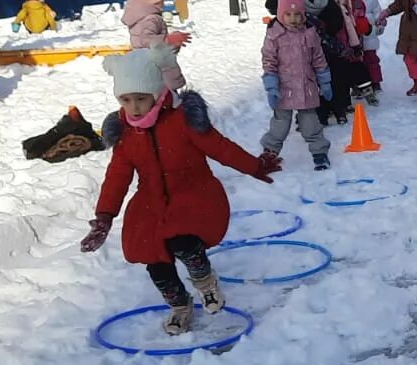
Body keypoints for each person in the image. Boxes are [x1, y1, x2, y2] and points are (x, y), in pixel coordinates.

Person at [82, 46, 282, 335]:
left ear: (156, 93)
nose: (134, 107)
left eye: (141, 98)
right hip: (151, 203)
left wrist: (255, 166)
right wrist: (103, 217)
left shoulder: (181, 120)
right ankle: (180, 306)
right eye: (126, 100)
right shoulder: (126, 134)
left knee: (183, 242)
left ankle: (206, 284)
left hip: (193, 194)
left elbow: (220, 147)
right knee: (154, 260)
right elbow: (117, 177)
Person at [262, 0, 335, 171]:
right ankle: (270, 151)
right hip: (283, 88)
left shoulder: (309, 34)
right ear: (280, 15)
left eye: (297, 14)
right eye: (288, 14)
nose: (293, 18)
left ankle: (319, 152)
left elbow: (319, 58)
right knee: (280, 124)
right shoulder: (274, 35)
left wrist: (325, 82)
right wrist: (271, 86)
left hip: (306, 86)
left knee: (310, 123)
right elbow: (269, 61)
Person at [123, 0, 190, 90]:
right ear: (153, 1)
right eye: (161, 0)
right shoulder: (150, 19)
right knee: (166, 103)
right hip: (158, 73)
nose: (163, 3)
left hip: (150, 70)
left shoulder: (142, 15)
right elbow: (146, 40)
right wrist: (169, 39)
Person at [355, 0, 387, 96]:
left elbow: (376, 11)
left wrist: (380, 22)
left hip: (369, 33)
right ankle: (359, 85)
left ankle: (376, 81)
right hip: (355, 33)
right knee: (356, 61)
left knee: (372, 59)